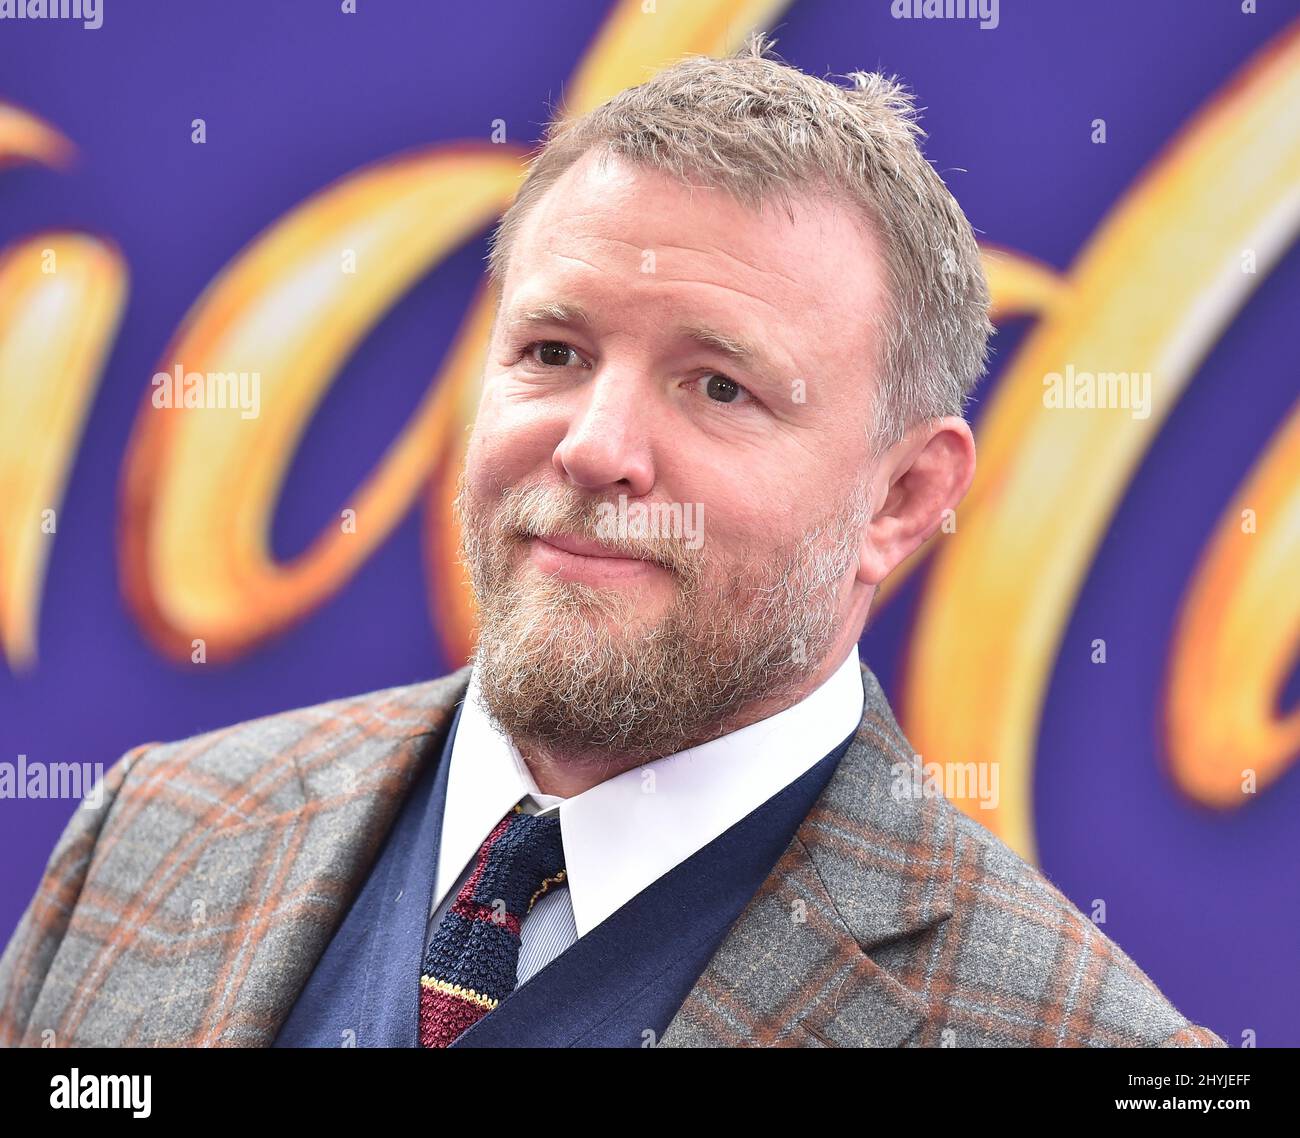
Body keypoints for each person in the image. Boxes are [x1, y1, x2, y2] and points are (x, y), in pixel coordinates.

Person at [0, 32, 1224, 1048]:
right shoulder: (146, 834)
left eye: (717, 386)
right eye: (552, 353)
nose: (594, 446)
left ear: (901, 498)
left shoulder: (1084, 1038)